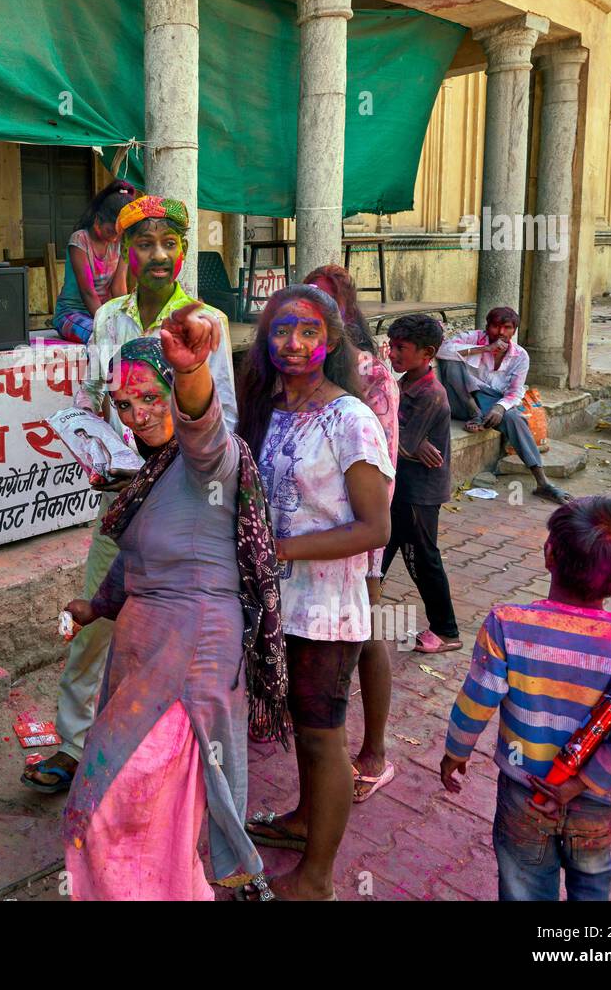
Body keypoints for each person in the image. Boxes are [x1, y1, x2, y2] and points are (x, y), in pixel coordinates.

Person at [62, 312, 287, 900]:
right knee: (146, 805)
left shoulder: (212, 459)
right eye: (125, 404)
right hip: (141, 653)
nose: (138, 415)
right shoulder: (150, 473)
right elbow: (133, 558)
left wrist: (192, 377)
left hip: (191, 658)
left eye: (150, 396)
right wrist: (94, 607)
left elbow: (203, 430)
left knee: (124, 799)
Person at [22, 194, 238, 795]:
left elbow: (225, 419)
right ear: (126, 251)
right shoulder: (110, 318)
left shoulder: (205, 322)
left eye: (170, 243)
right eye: (144, 243)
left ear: (184, 249)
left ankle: (169, 752)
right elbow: (93, 398)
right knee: (93, 619)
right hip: (118, 498)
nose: (159, 255)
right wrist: (94, 454)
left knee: (173, 629)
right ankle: (72, 742)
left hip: (187, 504)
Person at [238, 284, 393, 900]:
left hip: (326, 606)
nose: (294, 344)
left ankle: (318, 881)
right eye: (281, 331)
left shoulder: (349, 418)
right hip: (277, 603)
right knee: (305, 727)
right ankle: (304, 821)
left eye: (308, 332)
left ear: (330, 342)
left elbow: (374, 527)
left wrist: (280, 550)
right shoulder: (266, 409)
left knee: (324, 734)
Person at [440, 497, 611, 901]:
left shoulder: (508, 623)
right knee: (592, 881)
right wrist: (583, 783)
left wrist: (457, 751)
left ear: (549, 554)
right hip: (598, 801)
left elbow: (478, 699)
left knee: (524, 881)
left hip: (525, 793)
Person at [304, 264, 399, 804]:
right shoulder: (297, 367)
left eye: (322, 305)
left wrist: (366, 543)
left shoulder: (369, 372)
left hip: (355, 534)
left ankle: (375, 751)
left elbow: (379, 463)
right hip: (310, 534)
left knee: (365, 634)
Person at [437, 306, 571, 504]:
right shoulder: (474, 338)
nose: (500, 333)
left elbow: (515, 392)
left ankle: (542, 482)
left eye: (507, 328)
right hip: (461, 401)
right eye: (495, 327)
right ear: (487, 327)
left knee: (514, 418)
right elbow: (442, 350)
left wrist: (500, 408)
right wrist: (484, 349)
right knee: (452, 359)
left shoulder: (520, 356)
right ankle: (476, 414)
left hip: (491, 402)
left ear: (514, 330)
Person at [383, 315, 460, 653]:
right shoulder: (404, 384)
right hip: (402, 486)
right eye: (392, 345)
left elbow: (393, 439)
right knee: (380, 549)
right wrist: (411, 445)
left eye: (401, 348)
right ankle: (351, 615)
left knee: (422, 558)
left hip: (419, 493)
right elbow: (403, 442)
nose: (392, 353)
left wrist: (410, 444)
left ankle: (446, 630)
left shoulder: (430, 394)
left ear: (427, 353)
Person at [51, 180, 134, 344]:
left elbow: (118, 287)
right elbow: (87, 292)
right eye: (111, 231)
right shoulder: (80, 240)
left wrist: (127, 319)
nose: (115, 237)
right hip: (72, 314)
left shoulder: (122, 243)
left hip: (104, 314)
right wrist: (107, 324)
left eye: (120, 233)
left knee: (132, 335)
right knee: (103, 337)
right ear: (97, 221)